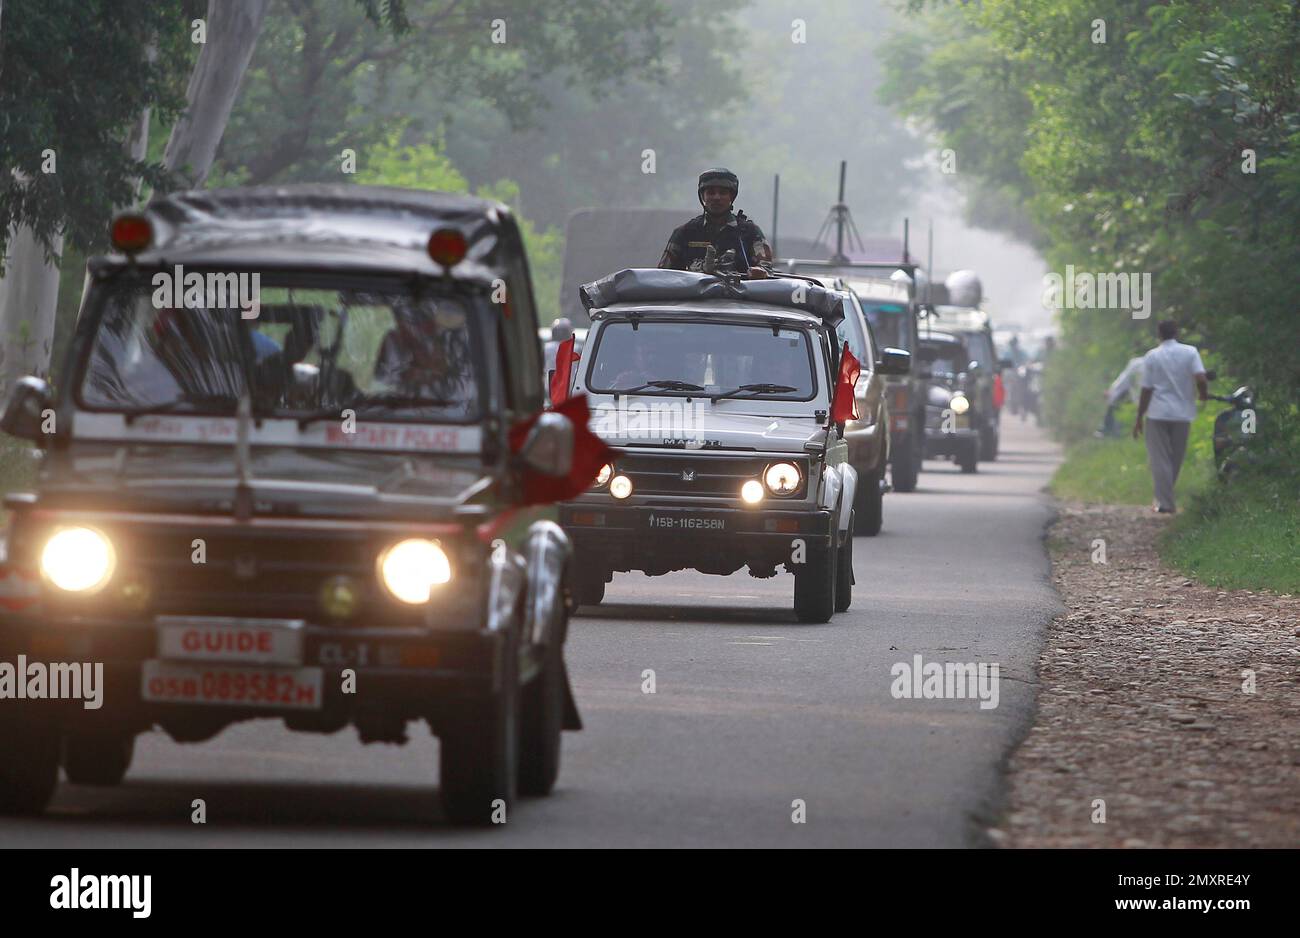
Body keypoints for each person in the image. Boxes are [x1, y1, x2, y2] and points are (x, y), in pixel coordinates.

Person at [1132, 320, 1208, 513]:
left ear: (1159, 334)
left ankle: (1165, 501)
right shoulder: (1190, 352)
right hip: (1183, 413)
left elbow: (1147, 388)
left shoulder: (1152, 356)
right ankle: (1164, 499)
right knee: (1176, 458)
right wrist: (1203, 394)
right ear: (1177, 332)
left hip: (1157, 413)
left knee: (1160, 458)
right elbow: (1200, 377)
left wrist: (1139, 416)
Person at [658, 168, 773, 278]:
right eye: (711, 193)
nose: (717, 197)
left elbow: (765, 269)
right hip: (694, 298)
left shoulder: (750, 232)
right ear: (703, 196)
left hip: (737, 297)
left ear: (731, 197)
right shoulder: (685, 232)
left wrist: (759, 273)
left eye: (723, 193)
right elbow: (663, 275)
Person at [1097, 355, 1144, 438]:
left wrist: (1111, 392)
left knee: (1116, 403)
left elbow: (1123, 381)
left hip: (1142, 402)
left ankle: (1108, 431)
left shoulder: (1137, 363)